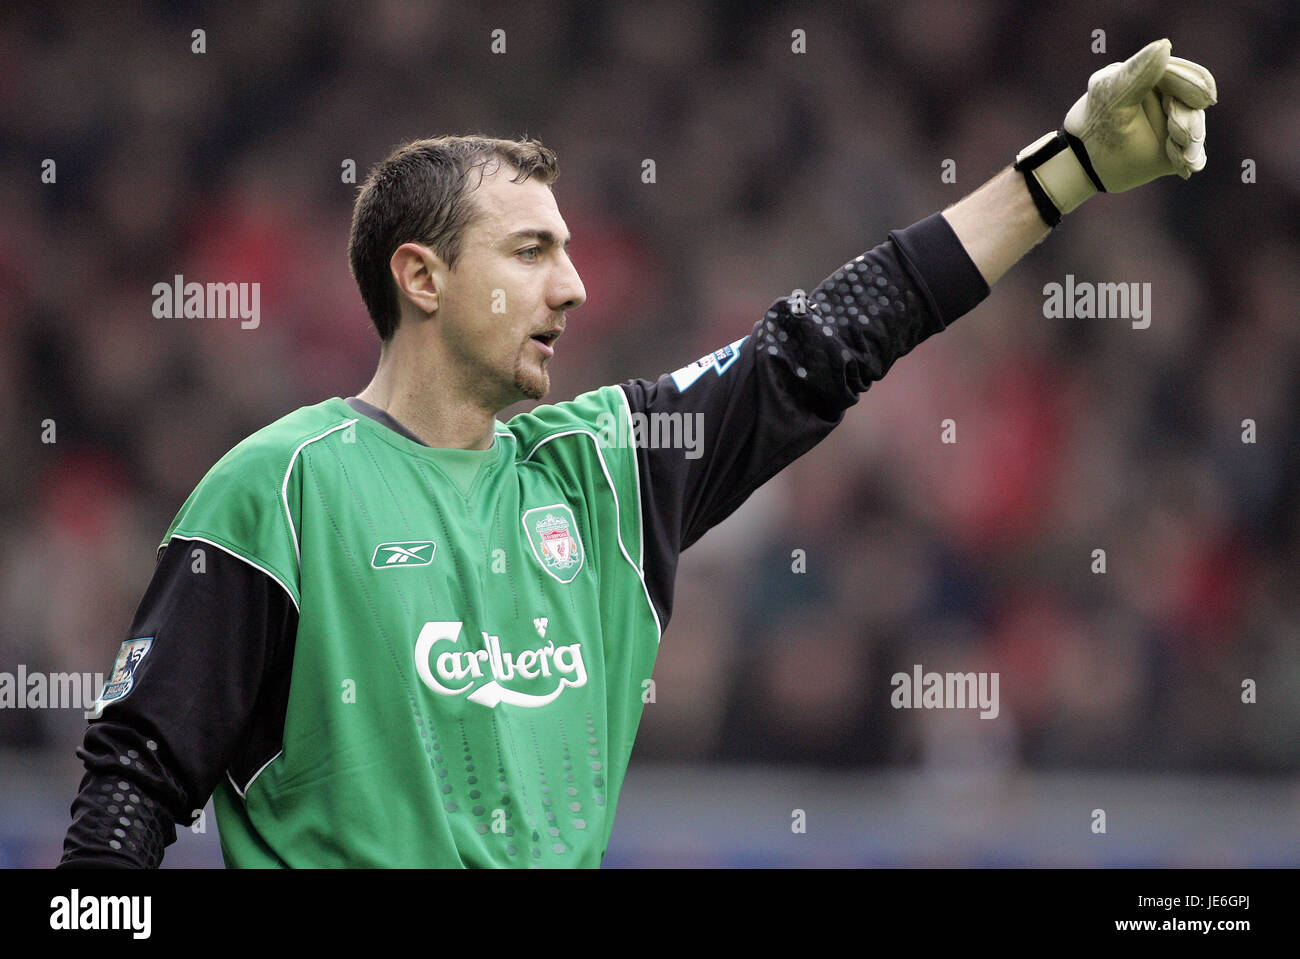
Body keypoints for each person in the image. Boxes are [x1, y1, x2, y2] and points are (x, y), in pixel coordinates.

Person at [59, 39, 1215, 867]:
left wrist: (1061, 170)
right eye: (528, 250)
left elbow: (828, 340)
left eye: (567, 248)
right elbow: (125, 800)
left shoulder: (607, 471)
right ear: (419, 276)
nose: (573, 282)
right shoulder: (282, 488)